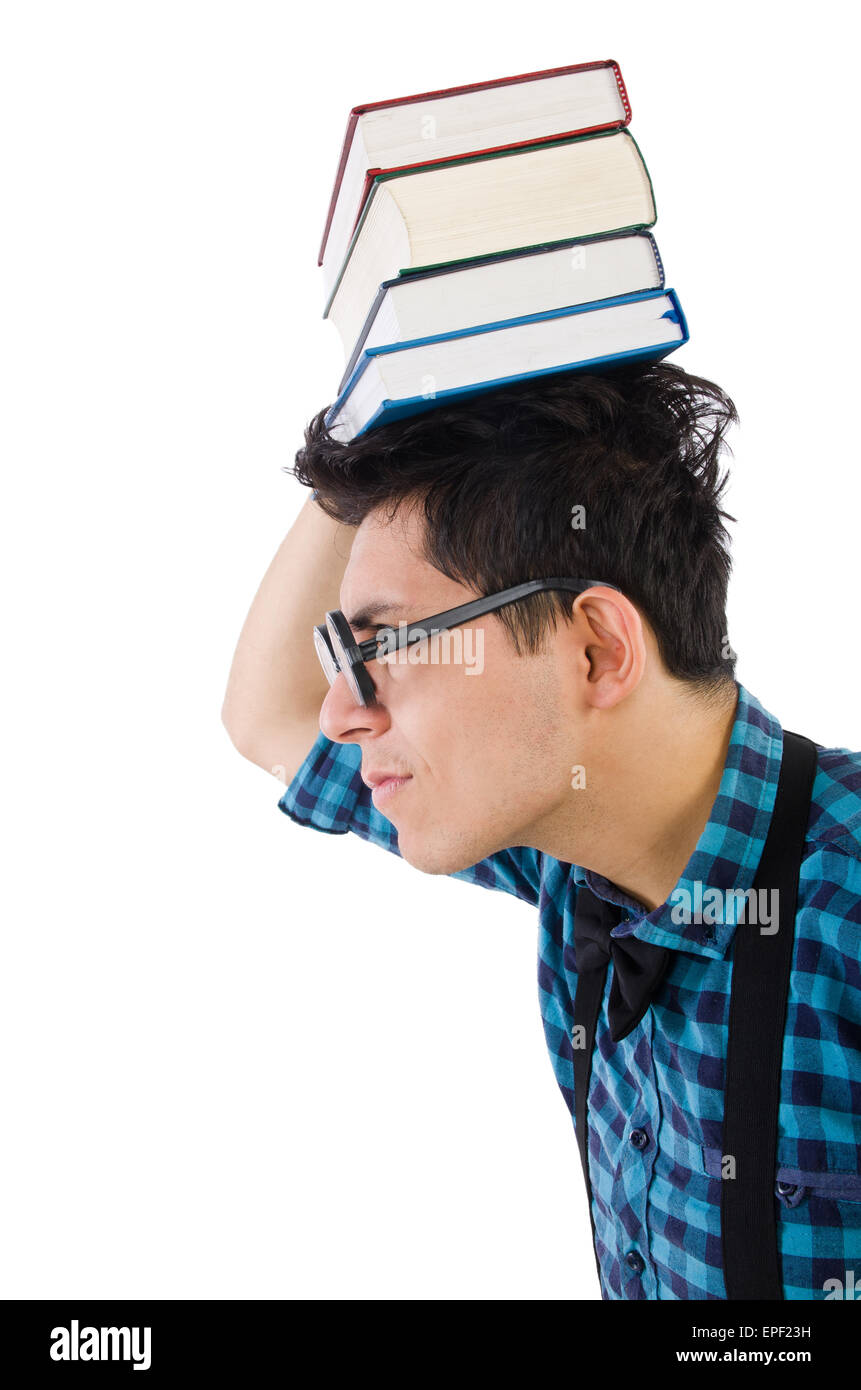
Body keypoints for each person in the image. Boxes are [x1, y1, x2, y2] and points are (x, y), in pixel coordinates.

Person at [222, 363, 861, 1301]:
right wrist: (386, 391)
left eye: (386, 645)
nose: (342, 716)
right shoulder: (570, 856)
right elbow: (265, 714)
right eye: (344, 656)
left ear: (595, 651)